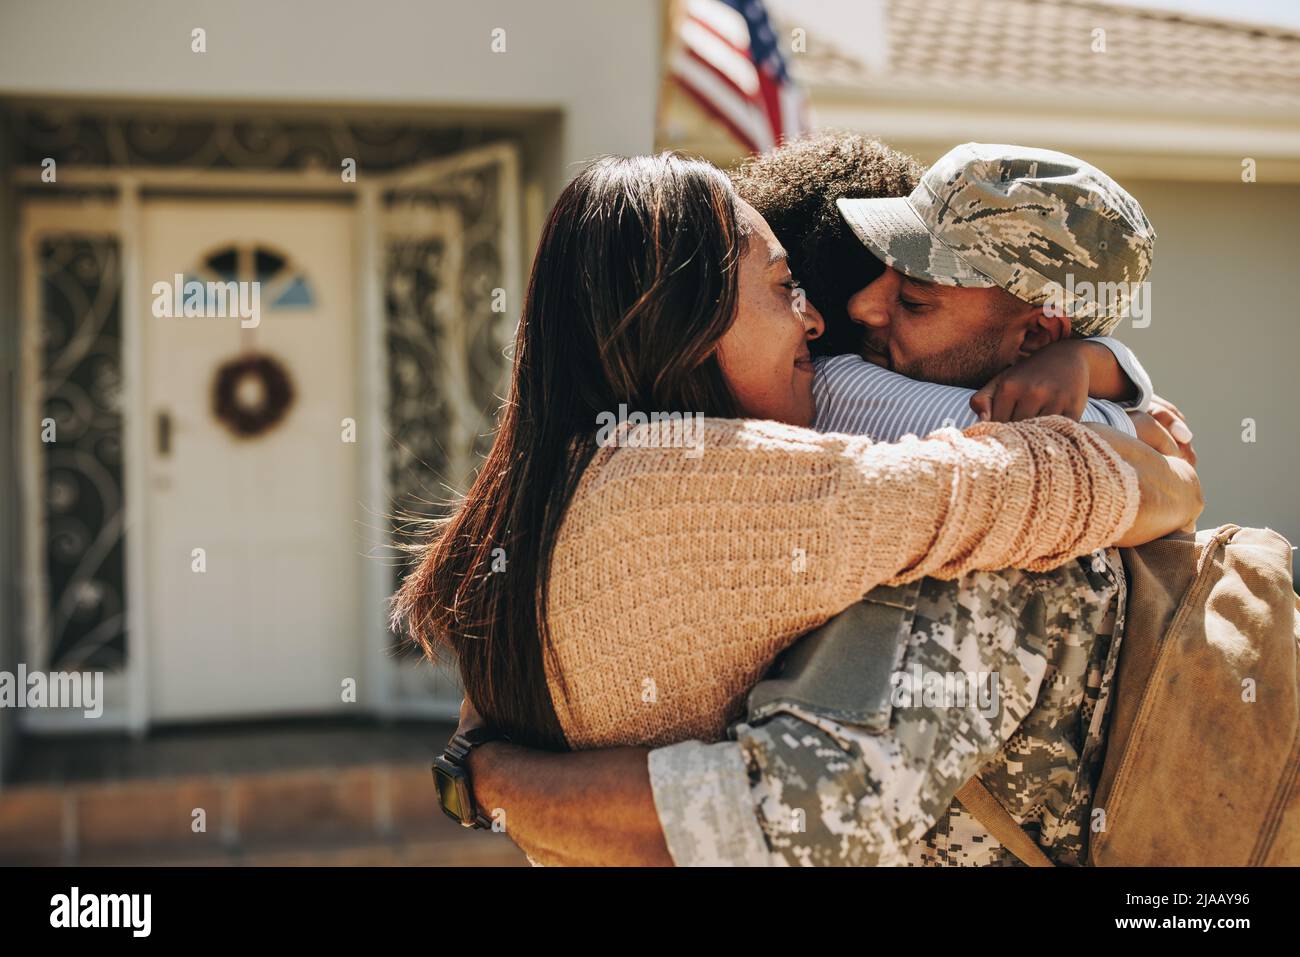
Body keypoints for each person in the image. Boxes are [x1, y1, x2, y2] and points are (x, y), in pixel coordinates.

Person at [394, 150, 1202, 864]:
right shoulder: (734, 488)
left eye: (914, 298)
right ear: (686, 319)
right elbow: (805, 822)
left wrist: (483, 775)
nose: (833, 318)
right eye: (786, 290)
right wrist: (1151, 457)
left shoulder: (555, 481)